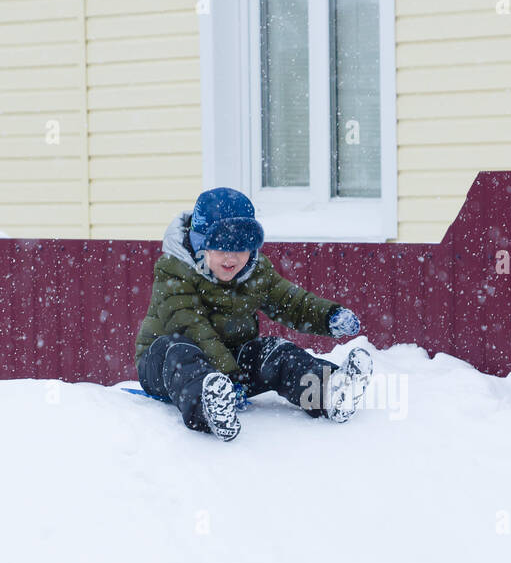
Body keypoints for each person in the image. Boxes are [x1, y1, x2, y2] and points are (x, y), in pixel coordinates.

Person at [134, 187, 371, 441]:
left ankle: (329, 392)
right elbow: (188, 324)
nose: (231, 258)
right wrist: (227, 373)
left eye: (241, 247)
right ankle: (208, 408)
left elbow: (290, 301)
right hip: (165, 364)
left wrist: (328, 316)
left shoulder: (254, 272)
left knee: (275, 352)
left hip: (231, 368)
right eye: (222, 248)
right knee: (180, 349)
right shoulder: (174, 269)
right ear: (201, 244)